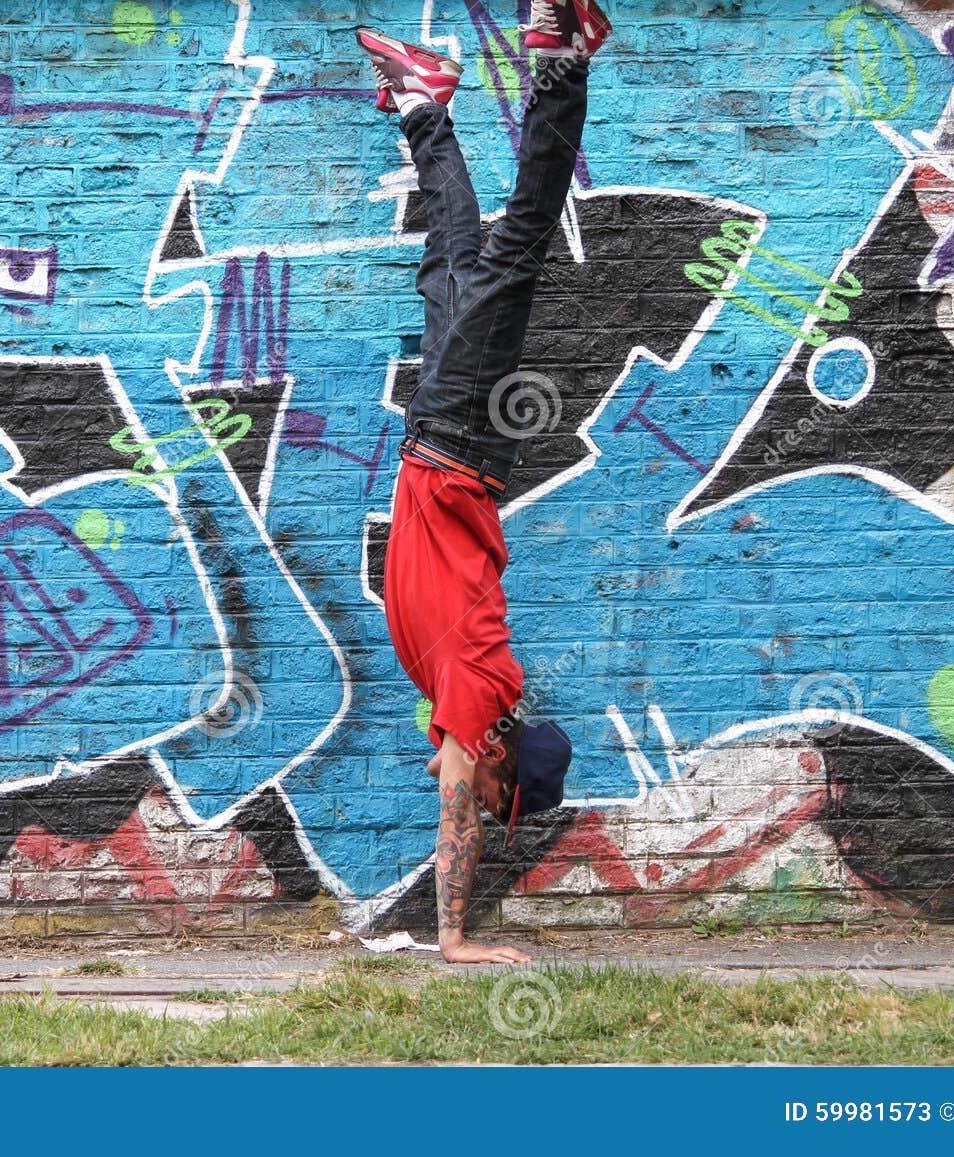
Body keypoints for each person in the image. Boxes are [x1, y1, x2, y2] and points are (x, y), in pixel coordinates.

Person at [360, 0, 609, 964]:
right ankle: (561, 61)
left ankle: (427, 109)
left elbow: (461, 785)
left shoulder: (452, 683)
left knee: (453, 265)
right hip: (461, 439)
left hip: (440, 436)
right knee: (520, 246)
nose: (454, 775)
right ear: (498, 758)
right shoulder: (473, 689)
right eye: (490, 788)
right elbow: (457, 814)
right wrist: (456, 937)